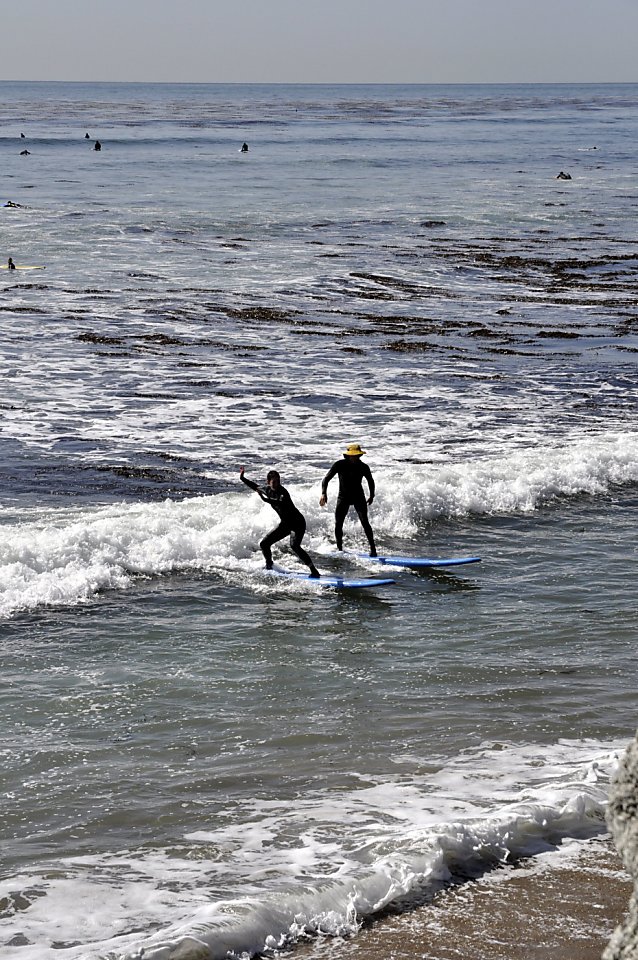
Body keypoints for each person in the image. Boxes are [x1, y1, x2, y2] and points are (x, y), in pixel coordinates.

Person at [240, 467, 320, 577]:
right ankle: (269, 564)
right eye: (274, 482)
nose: (277, 484)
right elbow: (254, 486)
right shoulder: (267, 490)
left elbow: (279, 502)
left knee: (294, 546)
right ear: (268, 482)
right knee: (264, 544)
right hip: (285, 524)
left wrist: (264, 499)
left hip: (298, 523)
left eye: (278, 481)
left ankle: (313, 570)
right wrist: (242, 478)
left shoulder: (283, 493)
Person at [320, 443, 377, 556]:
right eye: (353, 455)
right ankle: (339, 548)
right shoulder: (339, 465)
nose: (355, 458)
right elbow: (326, 479)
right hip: (343, 497)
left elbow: (370, 481)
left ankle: (373, 549)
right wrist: (323, 493)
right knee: (338, 524)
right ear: (348, 455)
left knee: (365, 522)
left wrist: (371, 495)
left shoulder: (363, 467)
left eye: (357, 456)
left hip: (358, 497)